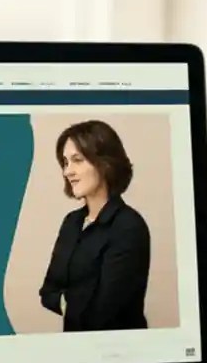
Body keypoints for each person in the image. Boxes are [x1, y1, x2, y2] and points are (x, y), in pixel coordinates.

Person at [39, 120, 151, 332]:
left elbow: (104, 311)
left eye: (77, 160)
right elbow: (48, 293)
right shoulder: (71, 222)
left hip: (120, 349)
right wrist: (80, 300)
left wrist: (70, 300)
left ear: (104, 163)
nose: (67, 172)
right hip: (75, 346)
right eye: (65, 162)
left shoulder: (128, 226)